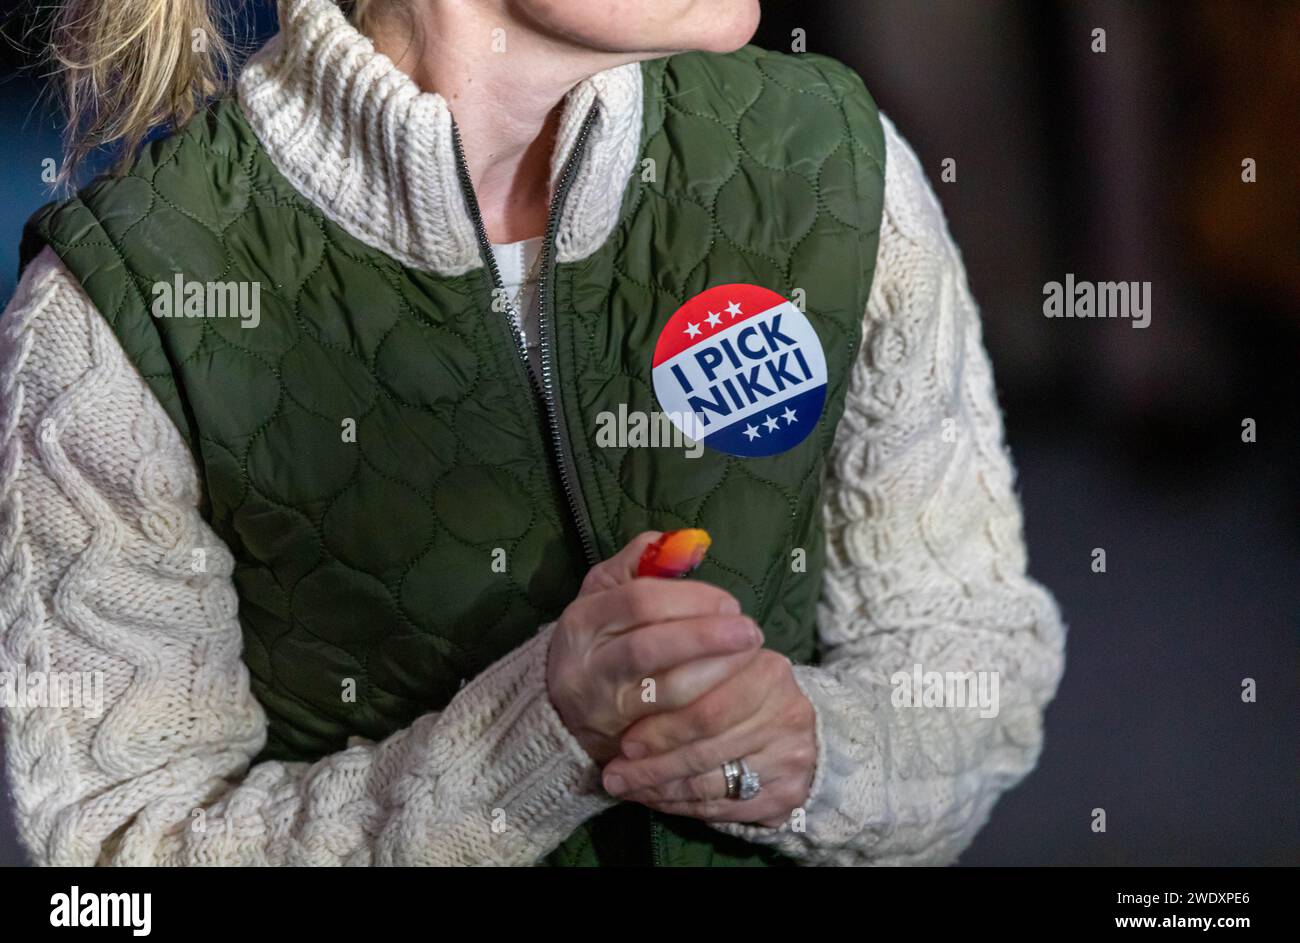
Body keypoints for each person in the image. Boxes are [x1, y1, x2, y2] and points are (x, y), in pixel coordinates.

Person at [0, 0, 1066, 866]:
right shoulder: (113, 317)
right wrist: (533, 742)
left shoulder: (834, 168)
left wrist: (807, 754)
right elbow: (118, 865)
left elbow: (974, 667)